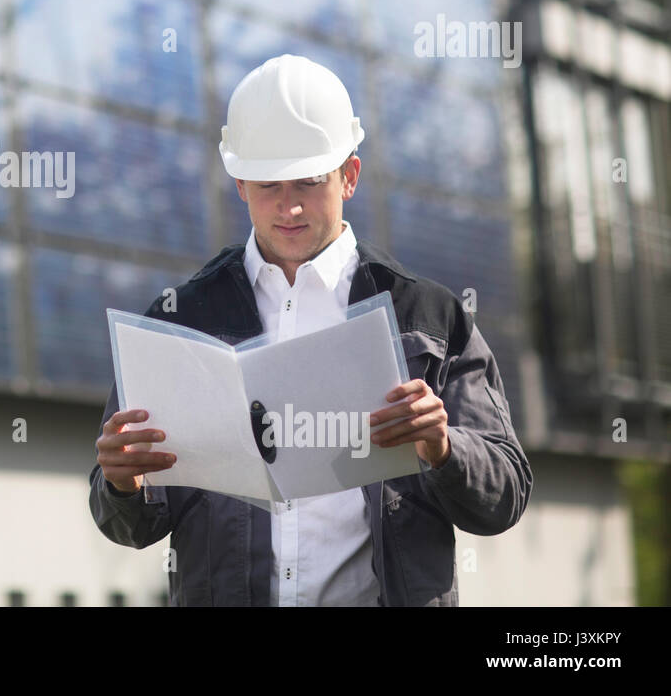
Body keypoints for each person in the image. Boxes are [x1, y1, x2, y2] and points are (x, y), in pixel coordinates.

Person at [88, 53, 532, 606]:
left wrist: (444, 450)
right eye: (269, 184)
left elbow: (504, 496)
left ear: (349, 176)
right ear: (240, 184)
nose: (290, 205)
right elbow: (130, 525)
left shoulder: (426, 316)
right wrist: (121, 484)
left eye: (309, 181)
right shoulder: (180, 321)